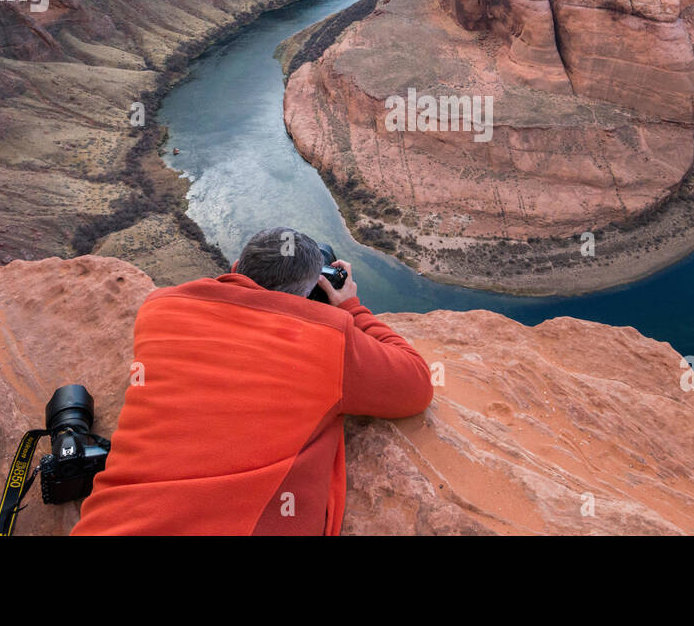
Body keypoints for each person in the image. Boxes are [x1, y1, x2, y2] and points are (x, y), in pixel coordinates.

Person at [70, 227, 433, 535]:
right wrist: (351, 307)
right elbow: (417, 385)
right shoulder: (330, 341)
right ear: (312, 293)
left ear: (235, 268)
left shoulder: (158, 308)